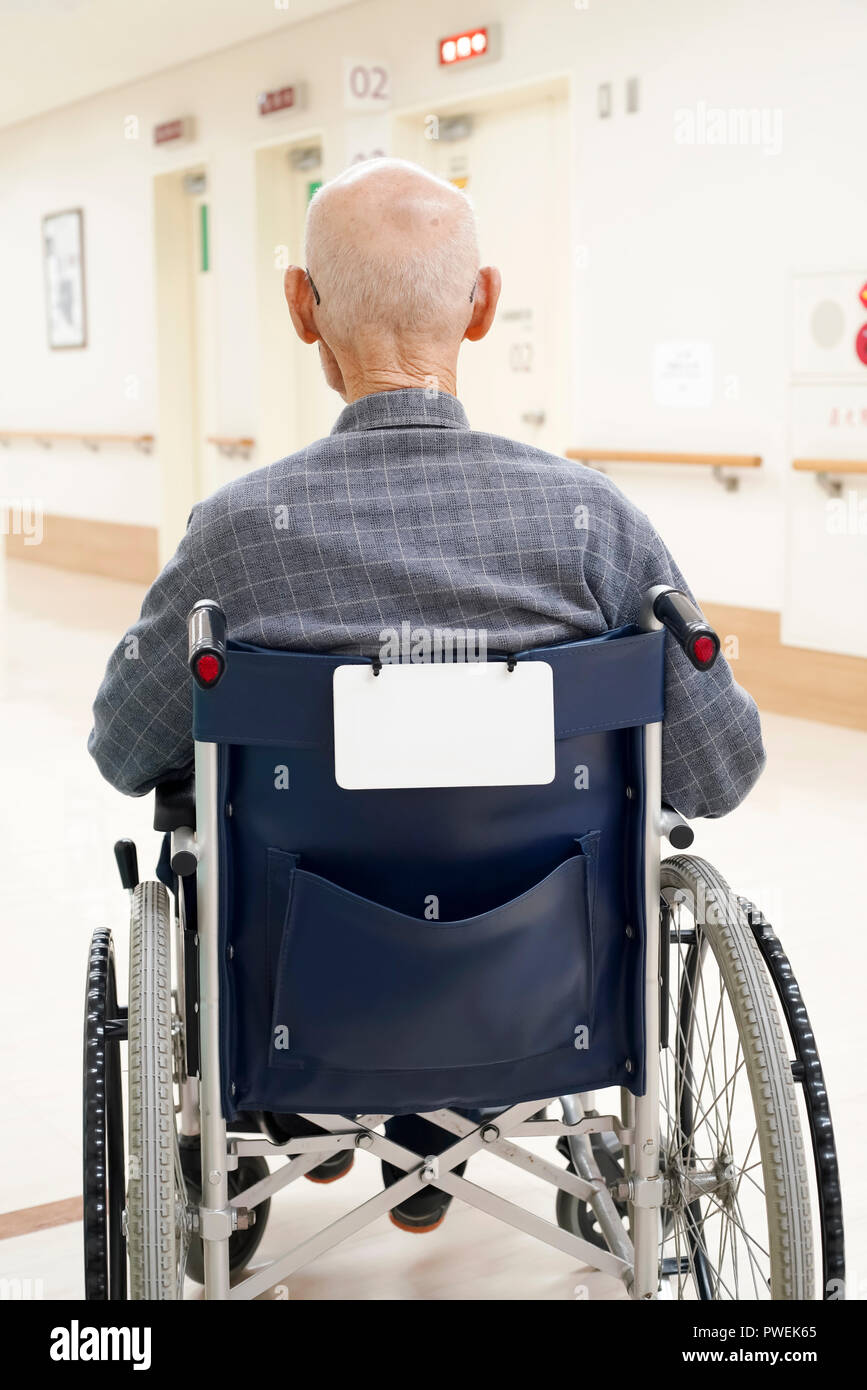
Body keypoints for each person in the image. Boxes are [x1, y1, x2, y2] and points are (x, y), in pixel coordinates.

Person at [89, 157, 765, 1233]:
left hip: (300, 1005)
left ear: (301, 307)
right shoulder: (592, 523)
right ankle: (438, 1125)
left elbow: (124, 749)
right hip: (546, 1000)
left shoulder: (238, 536)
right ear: (483, 304)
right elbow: (719, 772)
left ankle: (308, 1117)